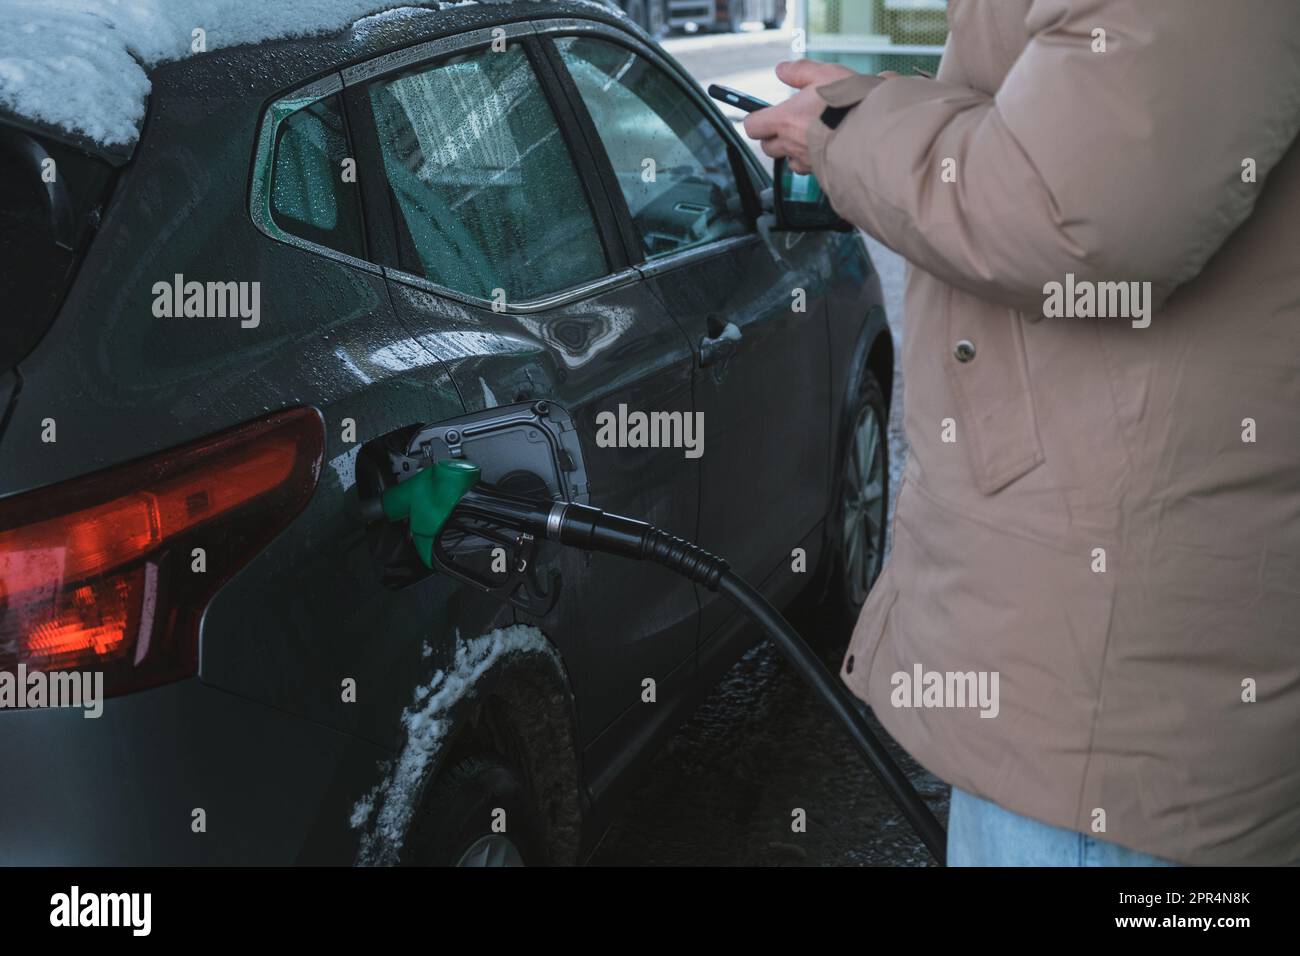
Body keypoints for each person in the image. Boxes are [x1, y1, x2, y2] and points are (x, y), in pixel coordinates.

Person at [743, 0, 1300, 866]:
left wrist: (846, 138)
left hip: (1101, 705)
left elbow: (1073, 210)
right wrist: (875, 115)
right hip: (1104, 663)